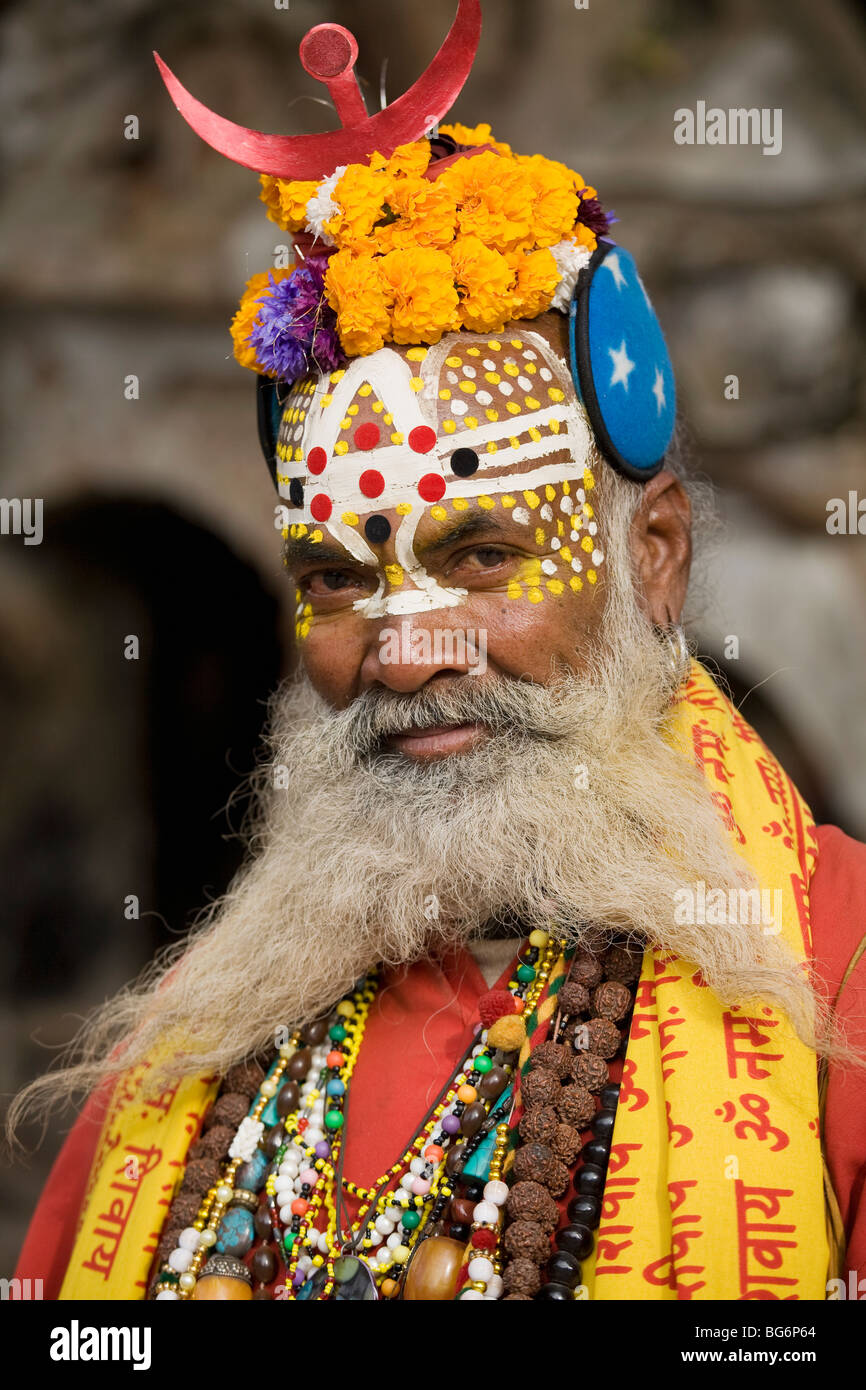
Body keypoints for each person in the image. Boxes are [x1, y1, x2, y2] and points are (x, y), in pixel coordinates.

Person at [12, 2, 866, 1302]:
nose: (402, 654)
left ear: (656, 557)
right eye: (337, 581)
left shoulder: (842, 969)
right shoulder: (204, 1018)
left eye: (480, 560)